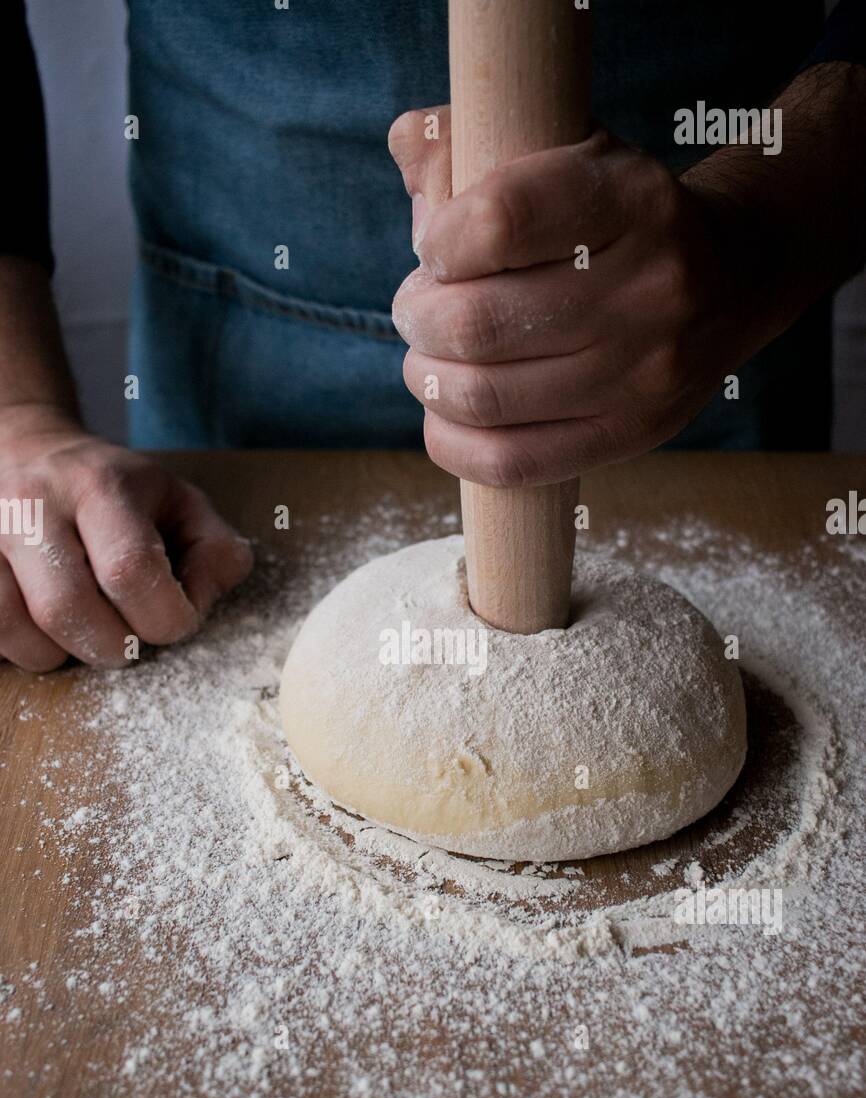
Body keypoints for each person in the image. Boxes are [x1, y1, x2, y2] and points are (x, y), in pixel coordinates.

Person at [0, 0, 864, 671]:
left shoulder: (727, 266)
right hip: (237, 312)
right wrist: (15, 411)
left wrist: (757, 234)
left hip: (713, 304)